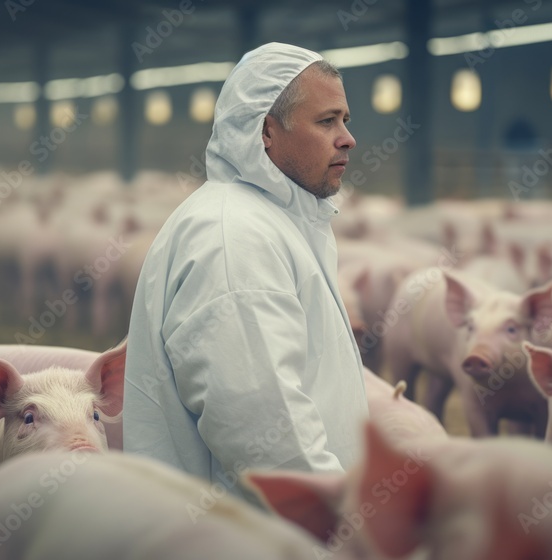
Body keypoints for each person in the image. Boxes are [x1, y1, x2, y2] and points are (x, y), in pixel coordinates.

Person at [121, 42, 368, 502]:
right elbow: (264, 431)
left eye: (345, 120)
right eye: (326, 121)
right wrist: (349, 520)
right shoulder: (234, 239)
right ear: (267, 131)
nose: (347, 138)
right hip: (263, 529)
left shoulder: (273, 222)